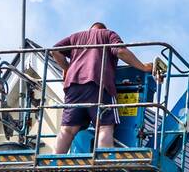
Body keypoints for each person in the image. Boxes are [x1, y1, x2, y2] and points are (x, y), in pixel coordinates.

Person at [50, 22, 157, 154]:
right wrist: (144, 67)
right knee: (104, 127)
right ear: (103, 29)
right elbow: (121, 51)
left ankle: (54, 162)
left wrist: (68, 69)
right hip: (98, 84)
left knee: (67, 130)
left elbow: (55, 51)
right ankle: (104, 159)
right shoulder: (107, 34)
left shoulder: (75, 37)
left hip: (73, 87)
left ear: (90, 29)